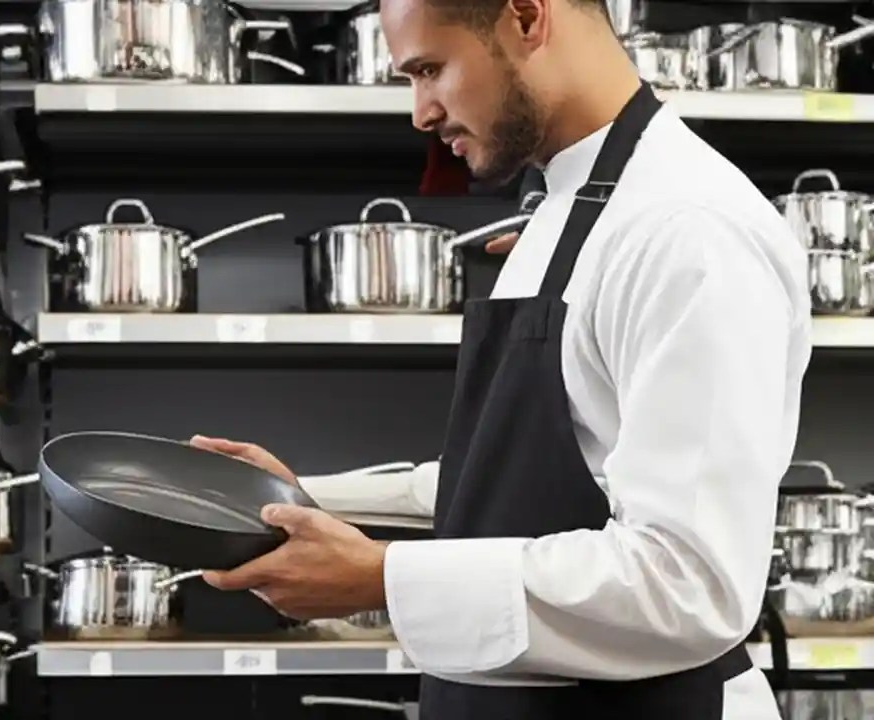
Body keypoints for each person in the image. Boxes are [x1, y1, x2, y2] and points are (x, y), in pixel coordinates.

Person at [189, 0, 811, 718]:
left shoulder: (687, 233)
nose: (421, 114)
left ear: (525, 16)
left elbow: (687, 582)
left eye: (430, 69)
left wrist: (384, 579)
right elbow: (513, 485)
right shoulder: (563, 211)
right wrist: (299, 500)